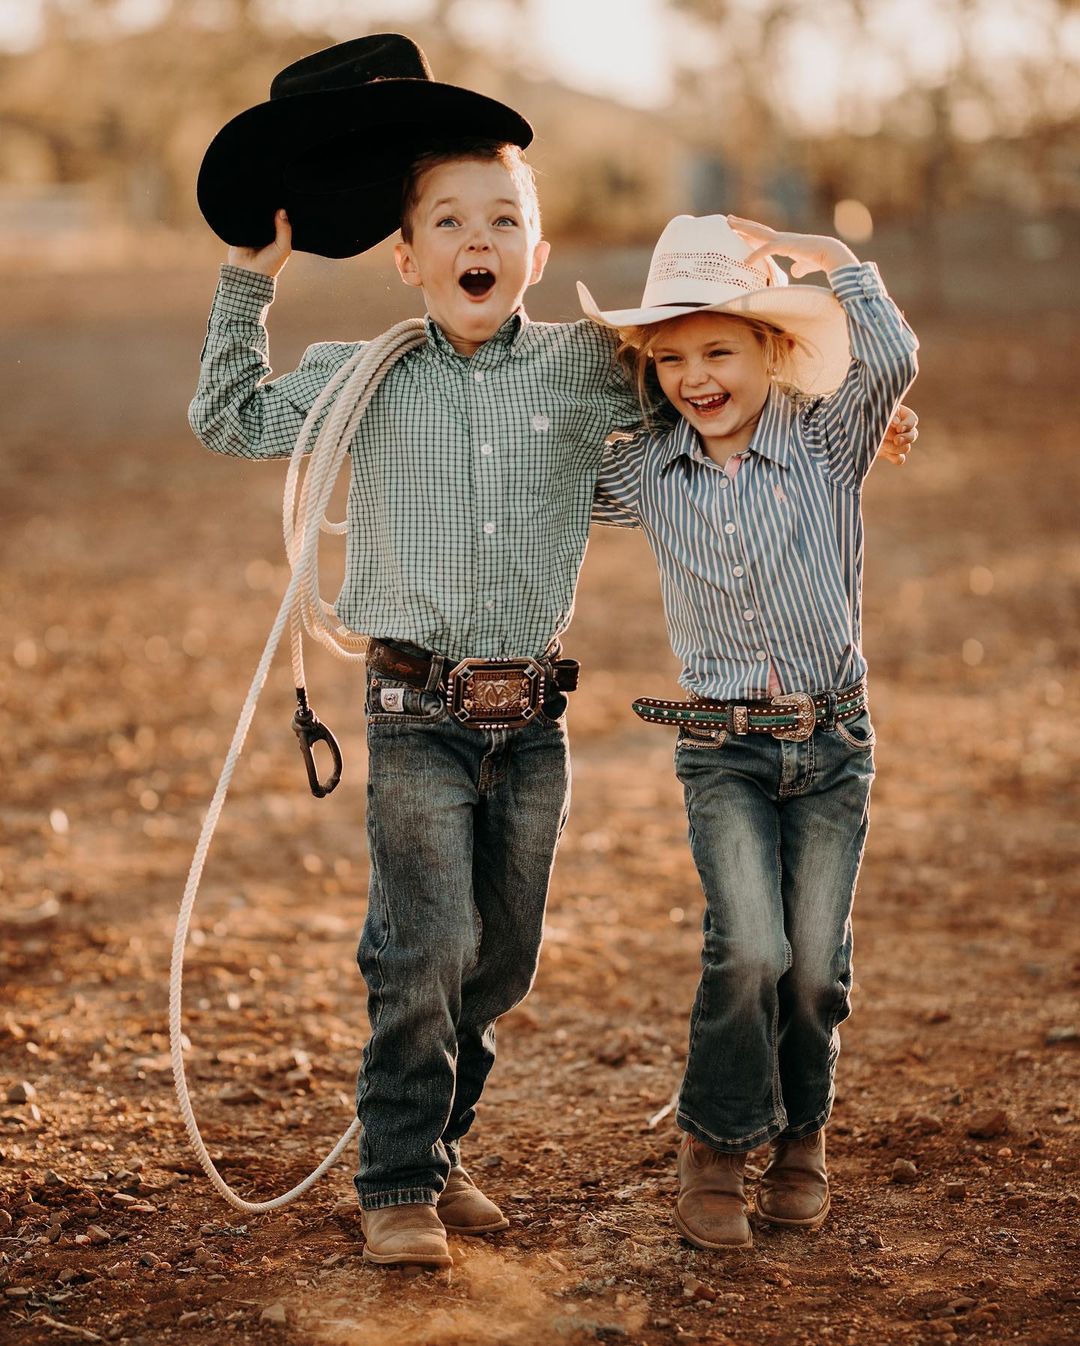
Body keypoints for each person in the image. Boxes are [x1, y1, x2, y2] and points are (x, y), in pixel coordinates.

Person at [191, 32, 918, 1271]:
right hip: (415, 707)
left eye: (504, 220)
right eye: (449, 222)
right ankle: (395, 1176)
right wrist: (247, 280)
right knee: (422, 947)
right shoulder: (362, 376)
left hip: (532, 717)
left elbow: (714, 388)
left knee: (503, 955)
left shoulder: (591, 369)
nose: (477, 240)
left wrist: (853, 417)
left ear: (536, 251)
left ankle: (444, 1140)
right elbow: (229, 418)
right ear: (407, 255)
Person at [580, 213, 920, 1250]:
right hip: (721, 749)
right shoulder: (647, 470)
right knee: (749, 950)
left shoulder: (828, 440)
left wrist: (831, 257)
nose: (696, 377)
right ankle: (717, 1142)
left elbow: (891, 359)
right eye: (670, 358)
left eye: (720, 350)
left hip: (833, 746)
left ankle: (801, 1139)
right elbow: (544, 466)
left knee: (813, 968)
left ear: (773, 349)